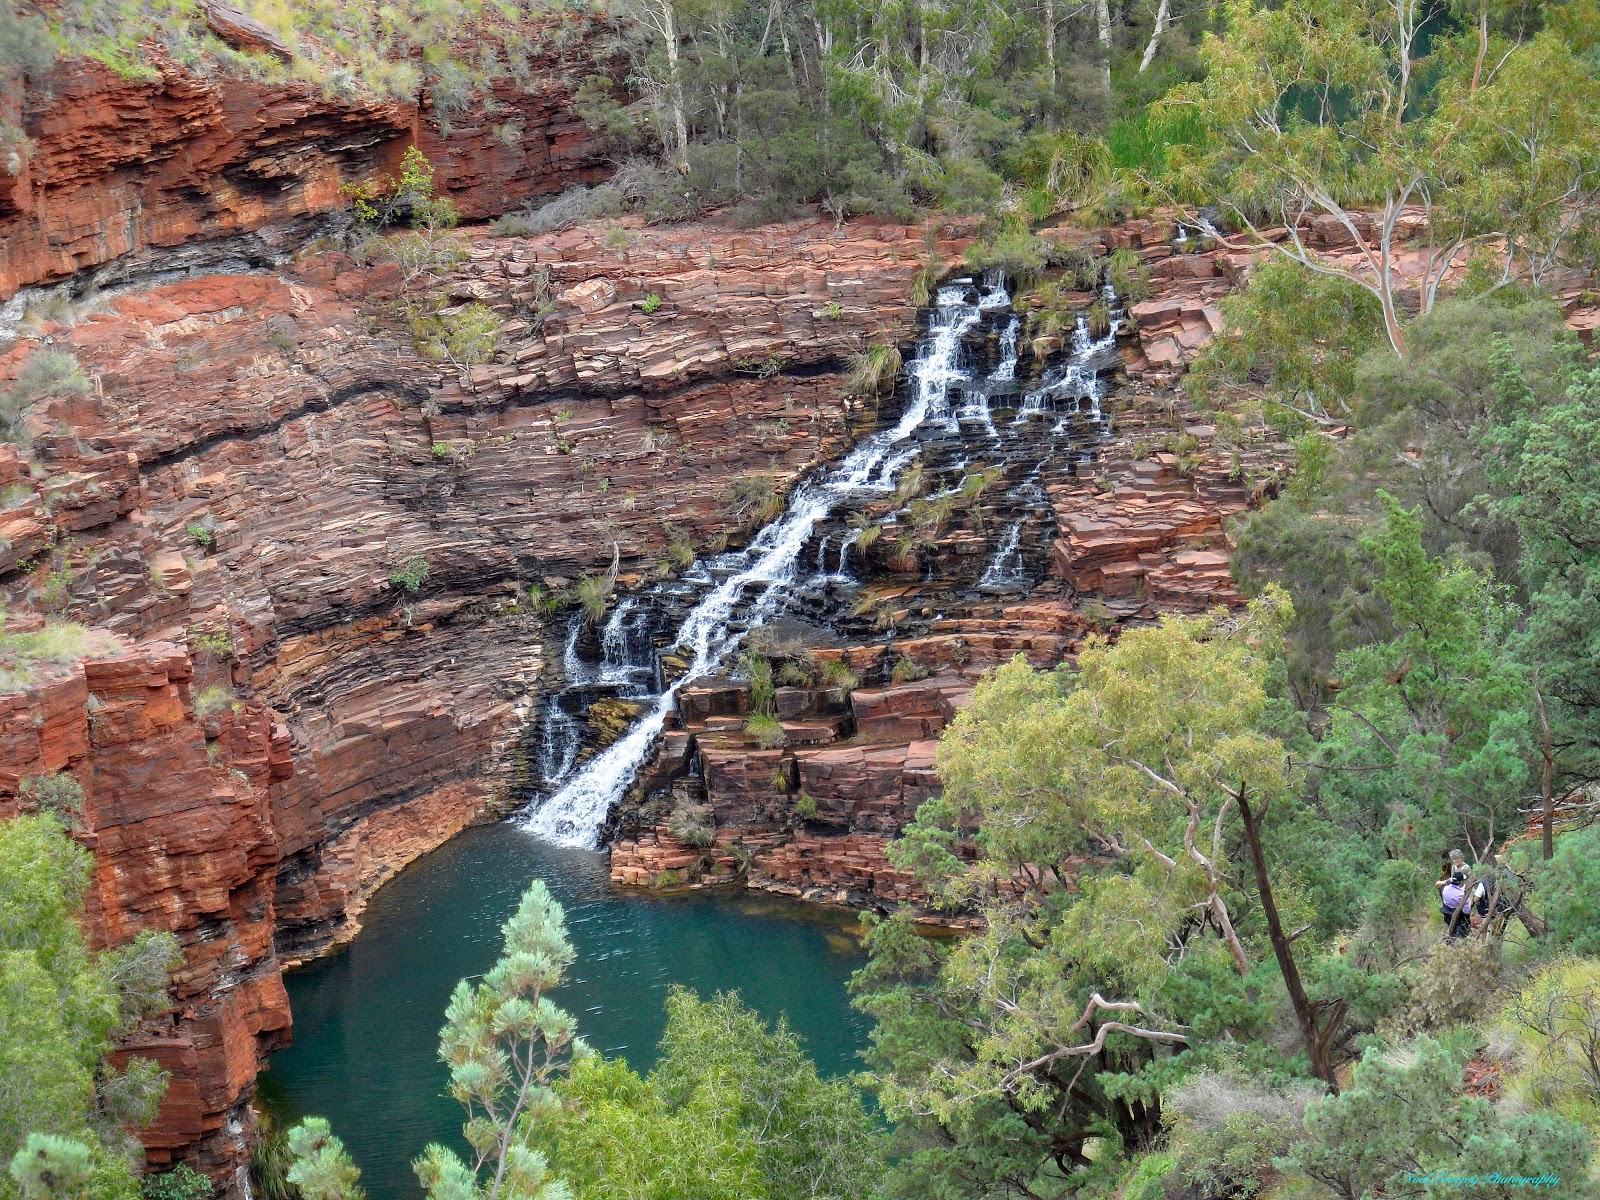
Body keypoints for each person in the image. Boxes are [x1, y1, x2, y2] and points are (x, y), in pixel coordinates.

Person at [1440, 868, 1471, 939]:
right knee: (1460, 937)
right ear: (1461, 882)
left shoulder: (1445, 889)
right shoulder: (1461, 895)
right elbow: (1467, 910)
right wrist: (1469, 901)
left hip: (1448, 916)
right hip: (1460, 920)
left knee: (1451, 935)